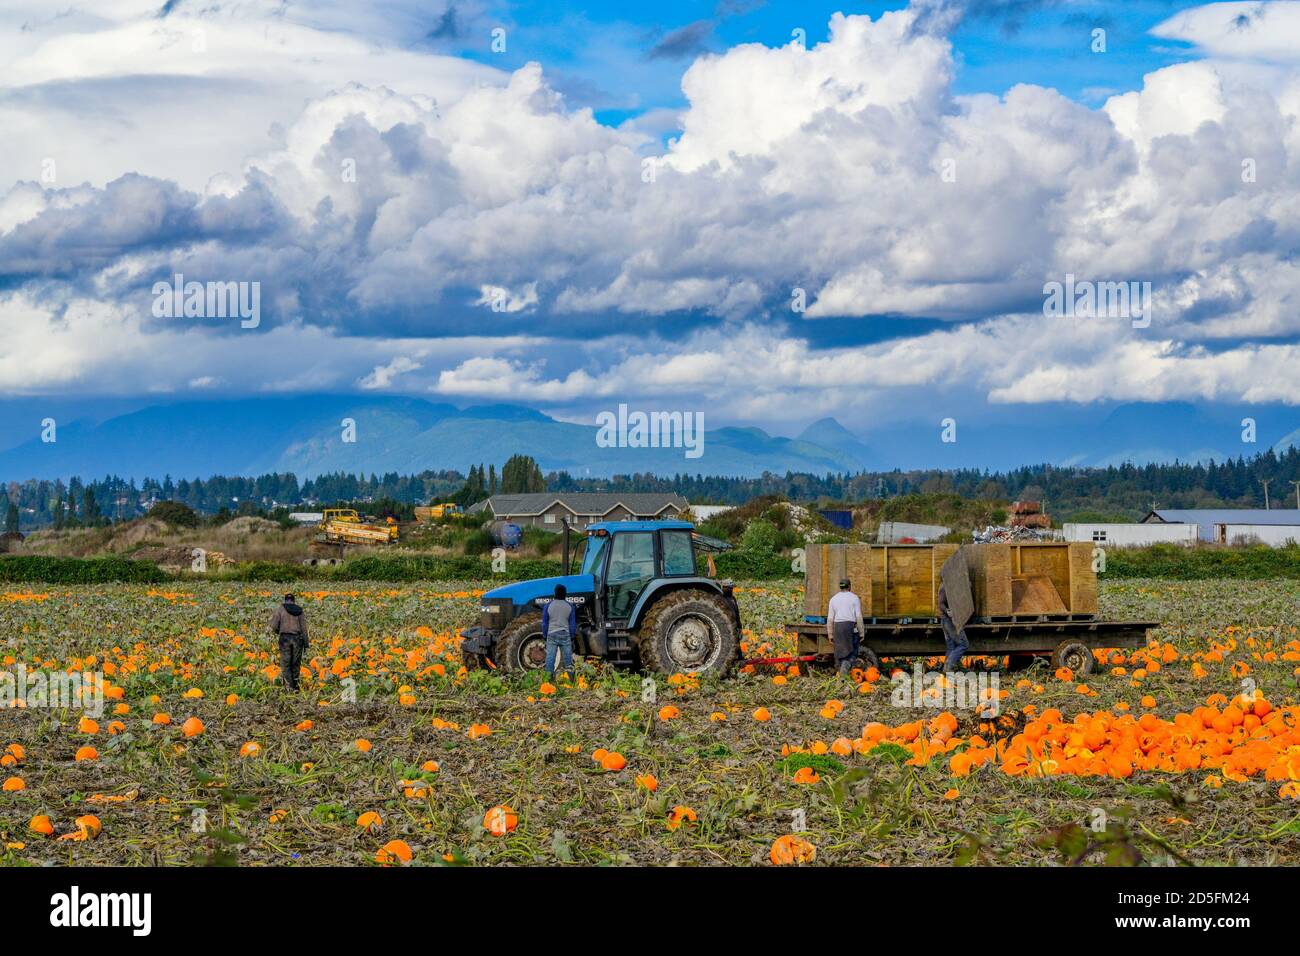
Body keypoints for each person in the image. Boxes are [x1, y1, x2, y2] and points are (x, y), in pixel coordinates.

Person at [269, 593, 309, 691]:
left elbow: (273, 626)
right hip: (297, 639)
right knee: (295, 664)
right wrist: (306, 643)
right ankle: (295, 686)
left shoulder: (280, 609)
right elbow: (304, 628)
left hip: (285, 639)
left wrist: (278, 631)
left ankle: (289, 687)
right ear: (294, 601)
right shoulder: (299, 610)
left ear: (285, 600)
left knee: (285, 664)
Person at [826, 578, 864, 676]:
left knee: (839, 653)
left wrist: (830, 634)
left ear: (840, 587)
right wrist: (861, 632)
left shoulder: (833, 599)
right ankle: (844, 673)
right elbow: (858, 617)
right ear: (849, 586)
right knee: (851, 653)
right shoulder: (855, 598)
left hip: (838, 628)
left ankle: (840, 674)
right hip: (850, 627)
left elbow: (830, 619)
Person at [541, 583, 576, 680]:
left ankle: (548, 680)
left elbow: (544, 624)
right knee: (568, 659)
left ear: (555, 593)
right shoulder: (570, 606)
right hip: (565, 634)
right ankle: (571, 680)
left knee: (550, 658)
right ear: (565, 594)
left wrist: (545, 635)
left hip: (551, 634)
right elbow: (572, 624)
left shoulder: (548, 606)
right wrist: (572, 636)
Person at [937, 584, 969, 673]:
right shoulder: (945, 586)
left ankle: (946, 670)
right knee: (964, 644)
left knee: (951, 646)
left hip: (945, 620)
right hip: (950, 621)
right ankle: (949, 665)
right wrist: (947, 611)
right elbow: (940, 603)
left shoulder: (950, 584)